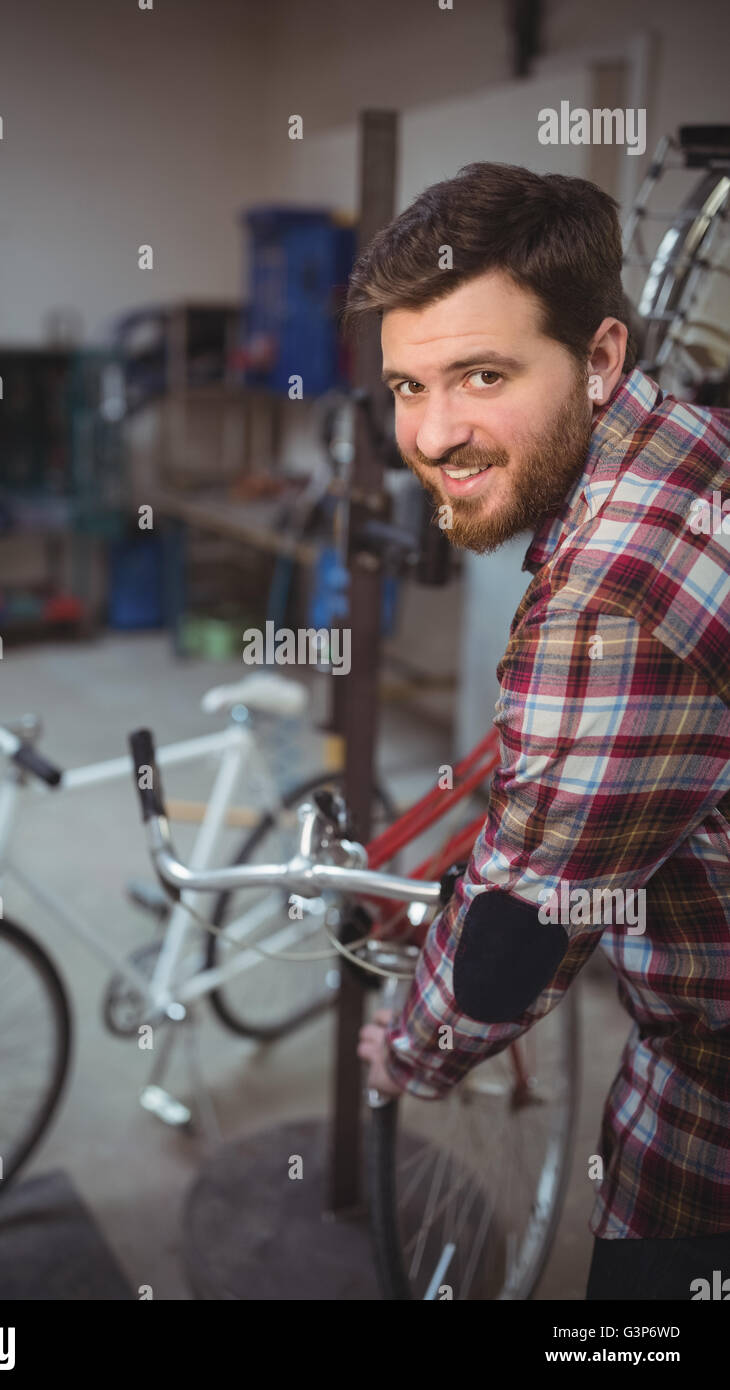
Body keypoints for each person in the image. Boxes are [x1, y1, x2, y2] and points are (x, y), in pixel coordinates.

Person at [345, 162, 730, 1301]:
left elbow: (516, 931)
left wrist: (405, 1047)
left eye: (480, 375)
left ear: (600, 356)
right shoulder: (688, 445)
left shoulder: (603, 594)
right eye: (407, 388)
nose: (434, 434)